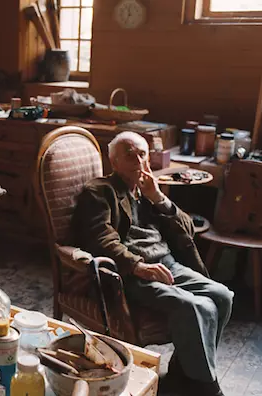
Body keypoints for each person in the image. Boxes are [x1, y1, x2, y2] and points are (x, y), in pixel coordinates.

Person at [72, 132, 233, 396]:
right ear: (114, 162)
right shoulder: (100, 192)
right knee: (197, 306)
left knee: (222, 296)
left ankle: (183, 373)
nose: (138, 160)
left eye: (143, 154)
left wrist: (158, 196)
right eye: (130, 154)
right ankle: (207, 388)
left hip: (168, 263)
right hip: (133, 273)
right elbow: (101, 240)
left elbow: (188, 229)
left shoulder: (149, 190)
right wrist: (138, 267)